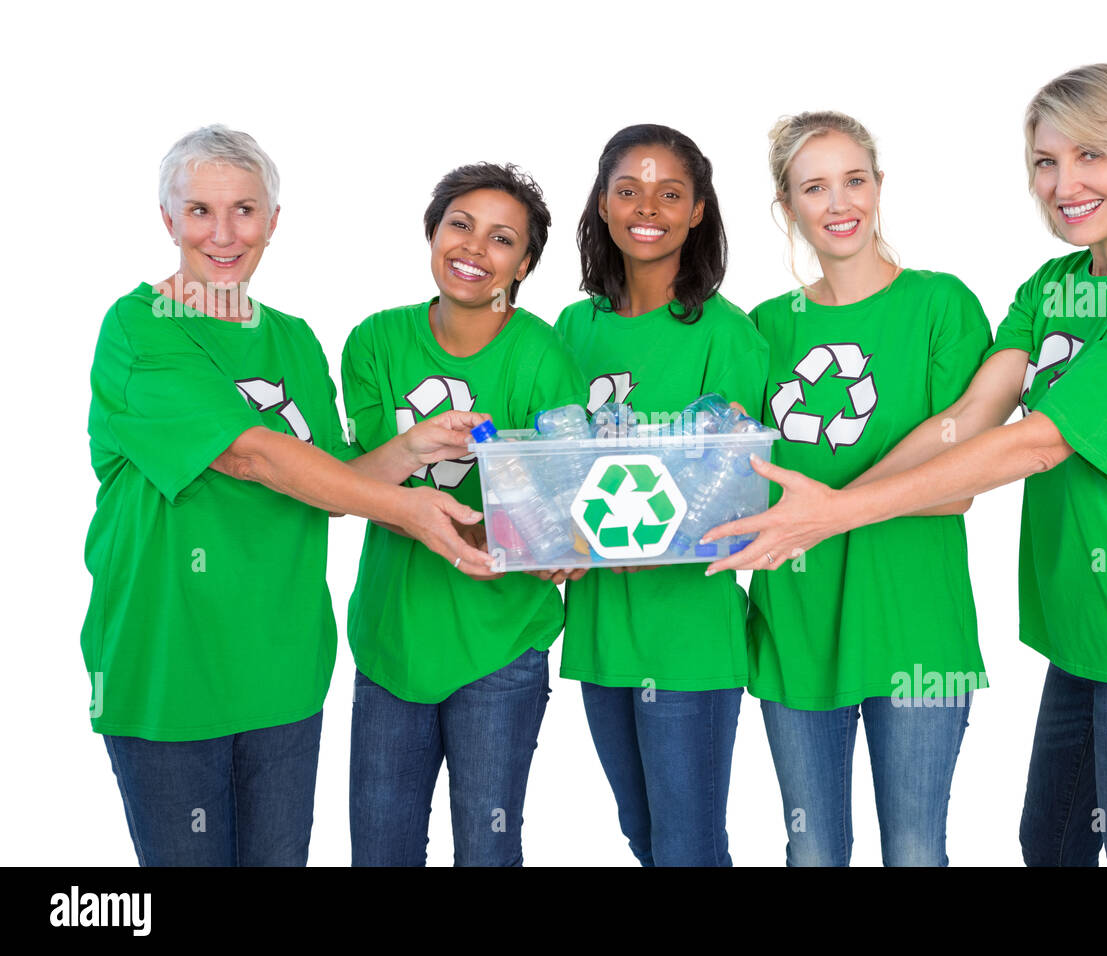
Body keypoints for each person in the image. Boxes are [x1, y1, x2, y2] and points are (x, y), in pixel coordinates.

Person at [704, 65, 1107, 867]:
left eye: (1091, 155)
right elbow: (964, 423)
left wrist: (833, 513)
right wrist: (826, 508)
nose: (1064, 183)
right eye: (1045, 161)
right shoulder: (1053, 287)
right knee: (1052, 846)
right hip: (1084, 635)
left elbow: (1039, 441)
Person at [83, 125, 491, 867]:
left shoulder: (296, 341)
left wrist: (409, 450)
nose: (224, 233)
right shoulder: (139, 329)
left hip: (283, 672)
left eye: (244, 209)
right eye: (200, 211)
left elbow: (331, 486)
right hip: (169, 674)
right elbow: (250, 456)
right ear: (168, 221)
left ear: (274, 221)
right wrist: (408, 509)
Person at [736, 111, 989, 866]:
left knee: (915, 850)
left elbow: (960, 486)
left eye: (854, 179)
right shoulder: (763, 328)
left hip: (915, 620)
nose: (839, 202)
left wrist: (822, 512)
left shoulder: (941, 305)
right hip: (797, 619)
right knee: (812, 851)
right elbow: (738, 482)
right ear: (788, 207)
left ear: (879, 187)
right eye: (815, 187)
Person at [343, 162, 587, 867]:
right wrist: (414, 446)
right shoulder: (376, 343)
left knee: (488, 847)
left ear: (525, 262)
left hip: (501, 643)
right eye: (460, 225)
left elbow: (568, 499)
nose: (475, 249)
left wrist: (567, 542)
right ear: (432, 231)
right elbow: (348, 486)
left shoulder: (542, 355)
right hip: (393, 640)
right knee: (381, 851)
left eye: (502, 238)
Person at [553, 124, 768, 866]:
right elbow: (557, 472)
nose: (649, 207)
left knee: (687, 847)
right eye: (629, 190)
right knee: (643, 835)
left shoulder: (728, 334)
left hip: (688, 634)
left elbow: (737, 492)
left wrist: (653, 538)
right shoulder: (571, 329)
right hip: (601, 628)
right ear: (604, 205)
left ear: (698, 211)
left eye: (671, 192)